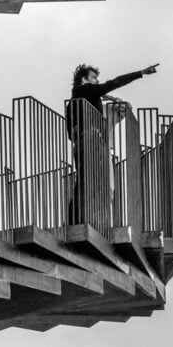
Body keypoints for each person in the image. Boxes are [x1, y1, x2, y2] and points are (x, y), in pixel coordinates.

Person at [65, 62, 159, 228]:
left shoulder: (73, 102)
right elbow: (114, 83)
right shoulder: (86, 90)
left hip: (82, 144)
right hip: (92, 141)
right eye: (94, 77)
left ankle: (75, 221)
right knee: (103, 186)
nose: (96, 81)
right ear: (84, 79)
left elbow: (70, 134)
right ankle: (95, 223)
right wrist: (141, 72)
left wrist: (107, 99)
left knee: (85, 183)